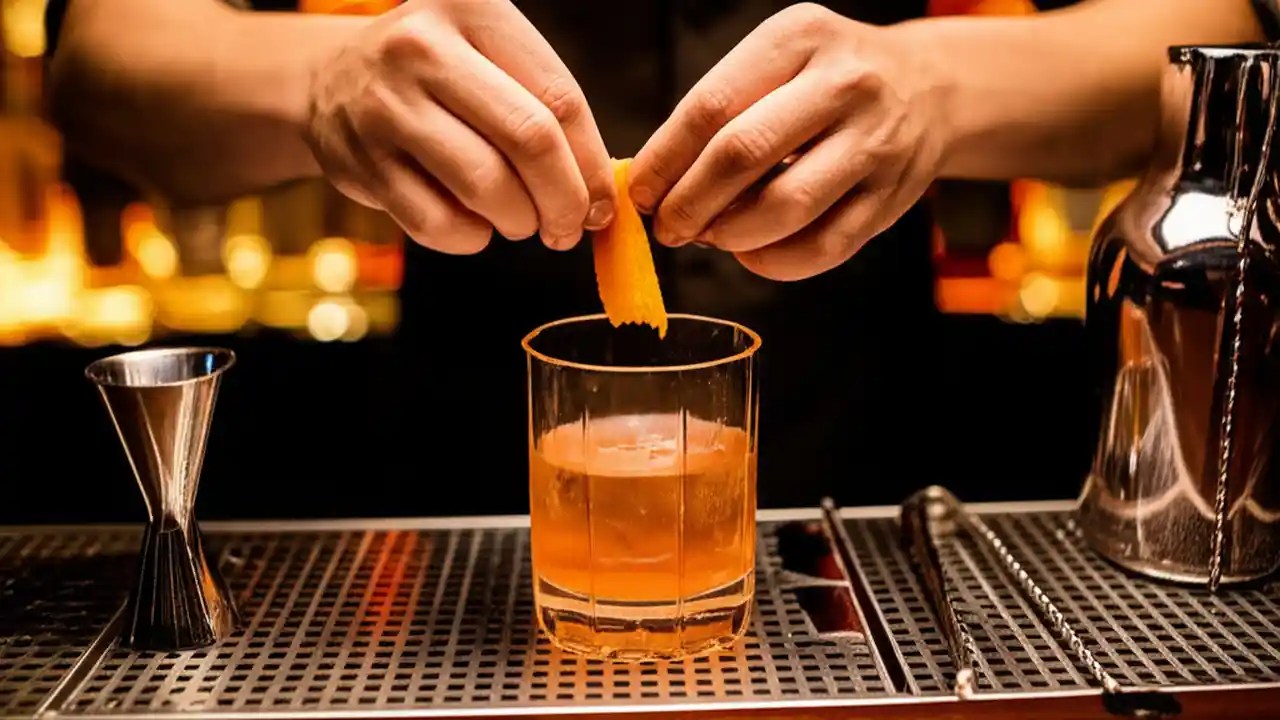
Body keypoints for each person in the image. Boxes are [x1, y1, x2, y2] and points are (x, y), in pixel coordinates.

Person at [36, 0, 1280, 516]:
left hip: (881, 489)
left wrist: (939, 84)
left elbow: (1213, 33)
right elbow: (97, 65)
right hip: (461, 498)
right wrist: (318, 81)